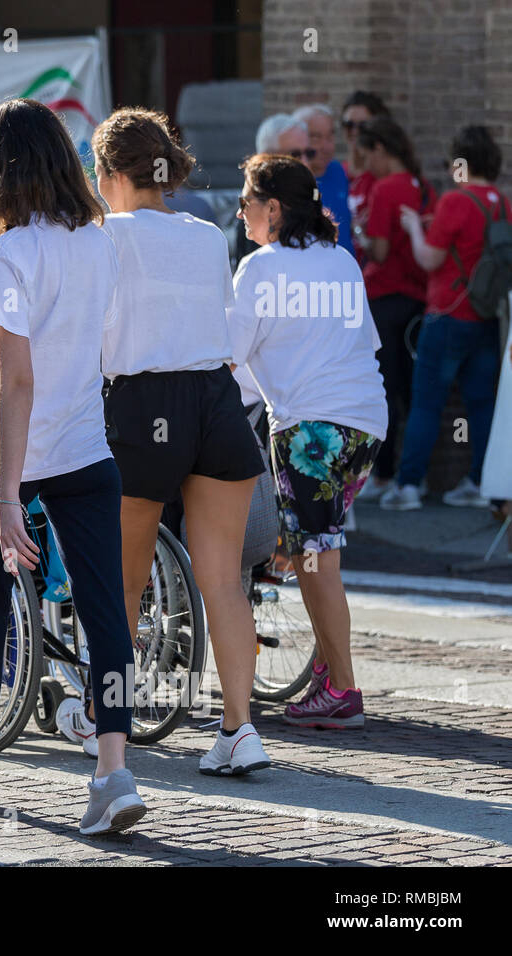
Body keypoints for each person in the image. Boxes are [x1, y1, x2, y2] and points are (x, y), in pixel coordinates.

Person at [0, 98, 144, 834]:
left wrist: (8, 495)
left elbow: (16, 379)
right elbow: (101, 351)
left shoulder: (6, 254)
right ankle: (112, 771)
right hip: (84, 446)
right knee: (106, 612)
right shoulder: (102, 241)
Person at [93, 107, 271, 777]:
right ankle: (238, 729)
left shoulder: (104, 234)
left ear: (110, 172)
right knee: (225, 581)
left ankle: (105, 717)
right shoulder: (205, 234)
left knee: (122, 583)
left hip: (143, 403)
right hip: (215, 399)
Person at [229, 153, 387, 729]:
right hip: (365, 422)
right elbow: (362, 343)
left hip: (309, 428)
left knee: (317, 557)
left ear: (273, 208)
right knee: (313, 548)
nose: (241, 212)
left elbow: (228, 356)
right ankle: (328, 675)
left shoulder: (261, 268)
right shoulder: (341, 260)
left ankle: (343, 688)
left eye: (246, 201)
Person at [390, 126, 509, 511]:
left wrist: (412, 228)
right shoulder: (503, 204)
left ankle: (408, 486)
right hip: (487, 317)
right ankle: (480, 481)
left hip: (447, 315)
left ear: (460, 163)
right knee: (482, 404)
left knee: (427, 404)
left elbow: (430, 259)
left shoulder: (455, 201)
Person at [355, 117, 432, 502]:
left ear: (381, 150)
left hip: (386, 299)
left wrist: (360, 234)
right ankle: (410, 477)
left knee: (382, 390)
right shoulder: (422, 186)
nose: (365, 165)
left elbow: (381, 252)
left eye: (367, 155)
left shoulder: (387, 189)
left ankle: (385, 476)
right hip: (419, 299)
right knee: (410, 392)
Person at [235, 114, 311, 263]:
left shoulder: (310, 197)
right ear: (266, 158)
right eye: (294, 155)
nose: (305, 162)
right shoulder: (252, 213)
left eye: (309, 153)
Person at [293, 103, 356, 257]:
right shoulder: (291, 181)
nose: (326, 146)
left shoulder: (339, 171)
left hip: (346, 274)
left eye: (330, 136)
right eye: (316, 137)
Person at [341, 91, 391, 261]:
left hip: (374, 278)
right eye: (348, 125)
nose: (355, 131)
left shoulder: (384, 179)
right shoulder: (335, 173)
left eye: (362, 126)